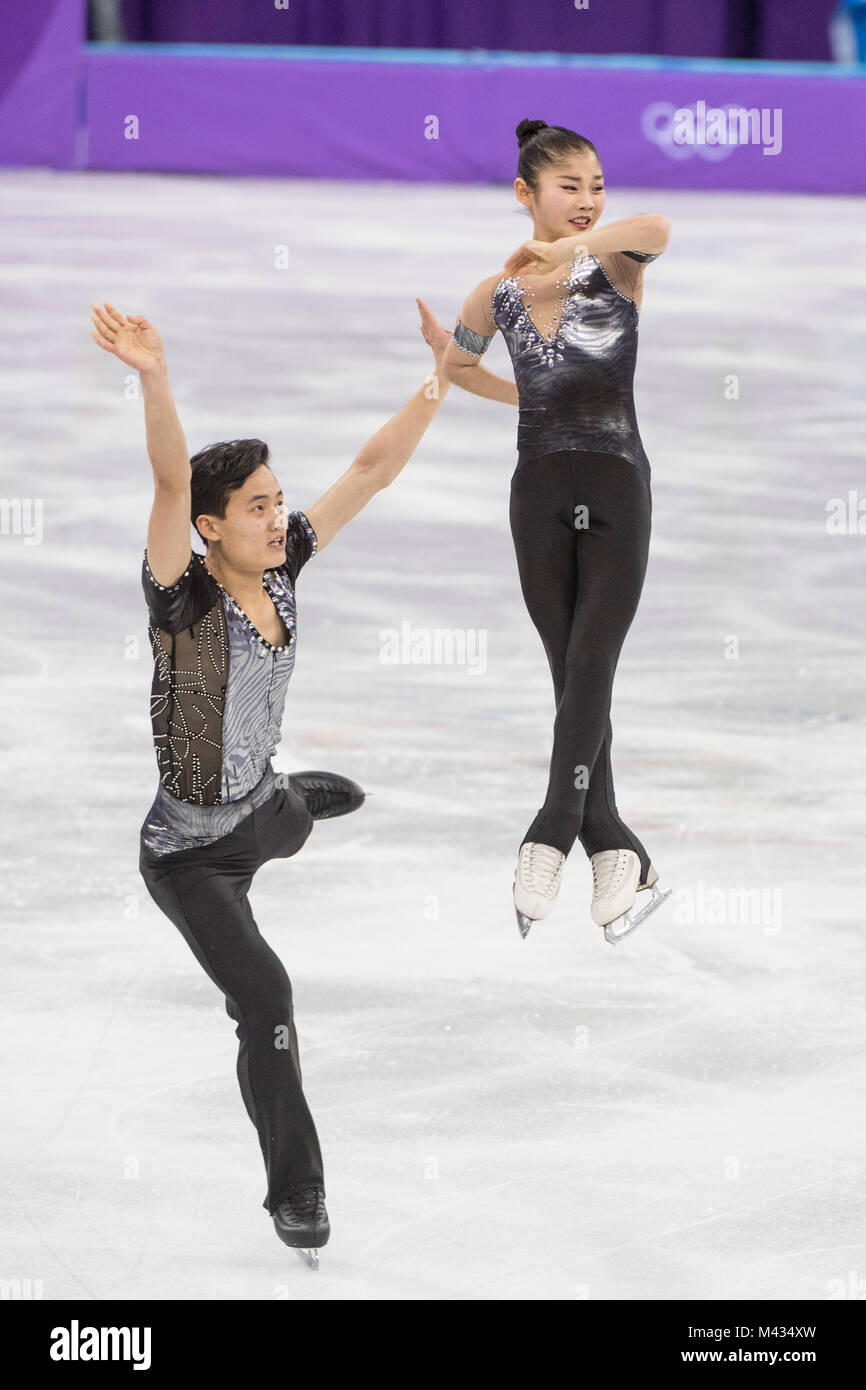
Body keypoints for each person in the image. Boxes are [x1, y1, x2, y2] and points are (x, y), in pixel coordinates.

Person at [90, 300, 449, 1260]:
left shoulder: (285, 572)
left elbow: (370, 470)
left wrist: (440, 377)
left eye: (275, 500)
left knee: (285, 809)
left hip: (262, 811)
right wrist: (153, 375)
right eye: (256, 506)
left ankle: (301, 799)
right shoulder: (184, 594)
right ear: (210, 527)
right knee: (269, 1003)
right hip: (193, 855)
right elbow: (168, 478)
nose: (276, 517)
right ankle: (298, 1193)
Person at [417, 118, 672, 944]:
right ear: (527, 194)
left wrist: (571, 253)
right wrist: (522, 394)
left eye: (598, 185)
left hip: (617, 483)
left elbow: (659, 228)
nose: (590, 201)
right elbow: (456, 365)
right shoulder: (493, 295)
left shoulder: (619, 264)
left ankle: (552, 828)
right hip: (537, 491)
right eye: (570, 187)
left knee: (594, 657)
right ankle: (613, 839)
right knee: (571, 673)